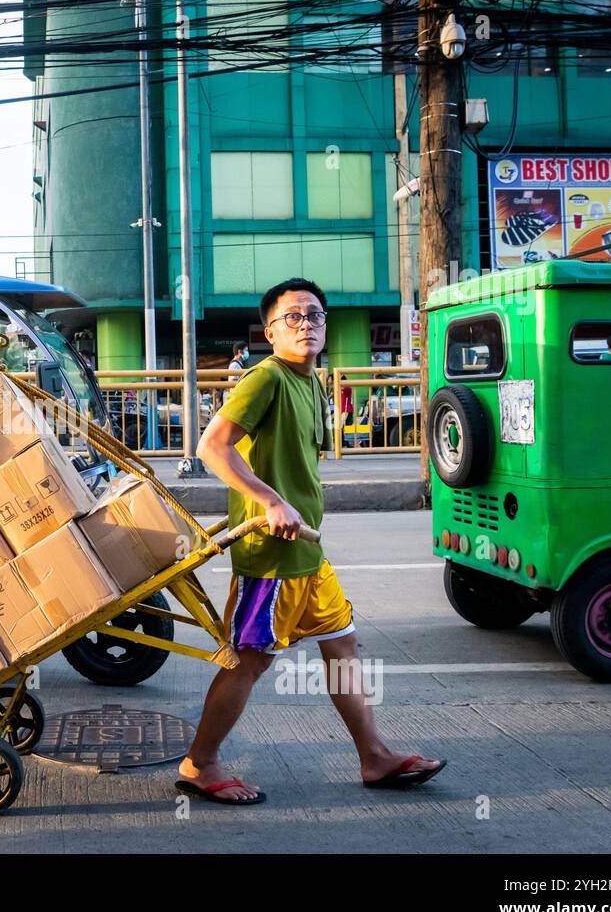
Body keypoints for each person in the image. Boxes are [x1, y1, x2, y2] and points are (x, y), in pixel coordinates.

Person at [176, 277, 445, 805]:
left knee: (342, 645)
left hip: (308, 554)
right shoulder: (266, 379)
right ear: (270, 332)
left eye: (315, 316)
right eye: (293, 317)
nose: (307, 325)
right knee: (249, 662)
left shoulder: (313, 382)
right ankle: (199, 764)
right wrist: (270, 501)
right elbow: (212, 447)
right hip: (270, 559)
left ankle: (374, 756)